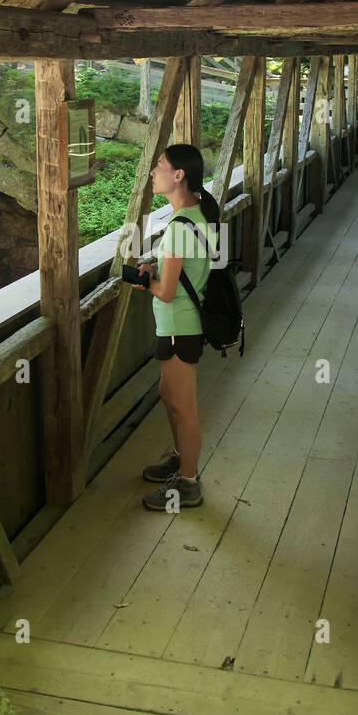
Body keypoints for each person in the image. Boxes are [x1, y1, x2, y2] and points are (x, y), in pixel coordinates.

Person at [127, 143, 219, 511]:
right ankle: (181, 461)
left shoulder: (180, 227)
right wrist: (155, 267)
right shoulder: (197, 213)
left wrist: (144, 281)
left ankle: (189, 482)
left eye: (160, 165)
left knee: (185, 409)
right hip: (177, 325)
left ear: (178, 175)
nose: (154, 171)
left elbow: (165, 292)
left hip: (180, 325)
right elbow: (180, 275)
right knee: (170, 397)